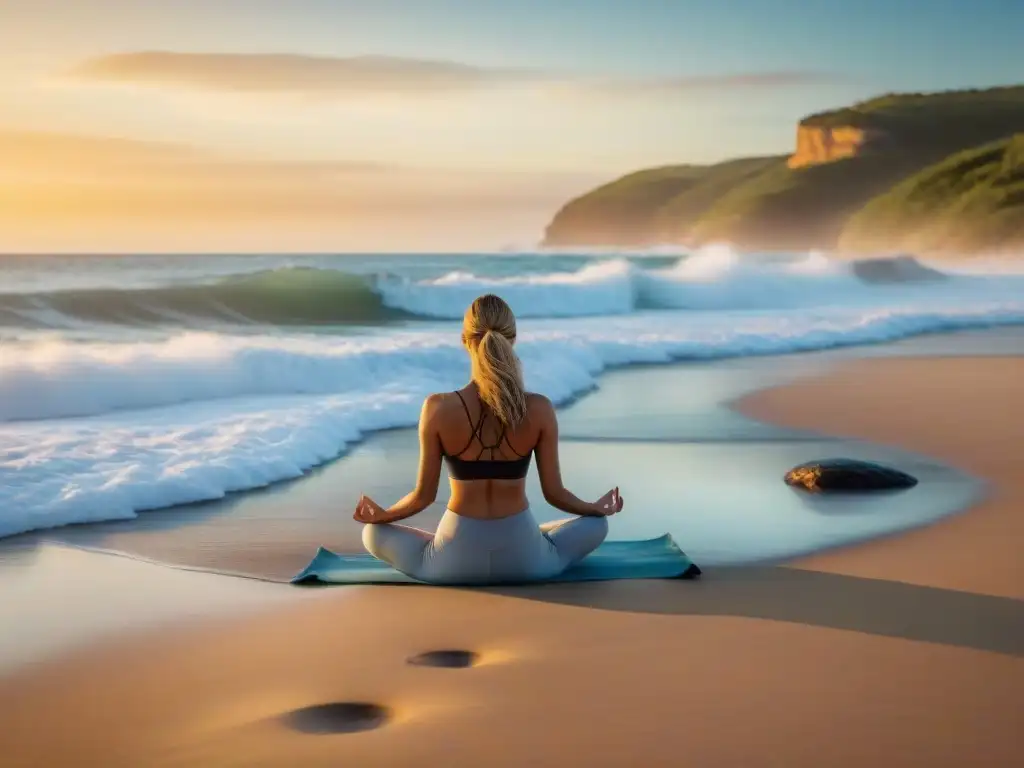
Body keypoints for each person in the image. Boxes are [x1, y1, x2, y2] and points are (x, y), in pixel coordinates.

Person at [354, 293, 624, 584]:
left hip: (453, 562)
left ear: (464, 340)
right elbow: (555, 494)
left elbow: (423, 497)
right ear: (513, 339)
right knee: (597, 525)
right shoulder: (539, 408)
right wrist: (593, 508)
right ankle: (537, 535)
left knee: (372, 533)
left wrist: (383, 515)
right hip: (526, 560)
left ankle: (459, 543)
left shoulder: (437, 408)